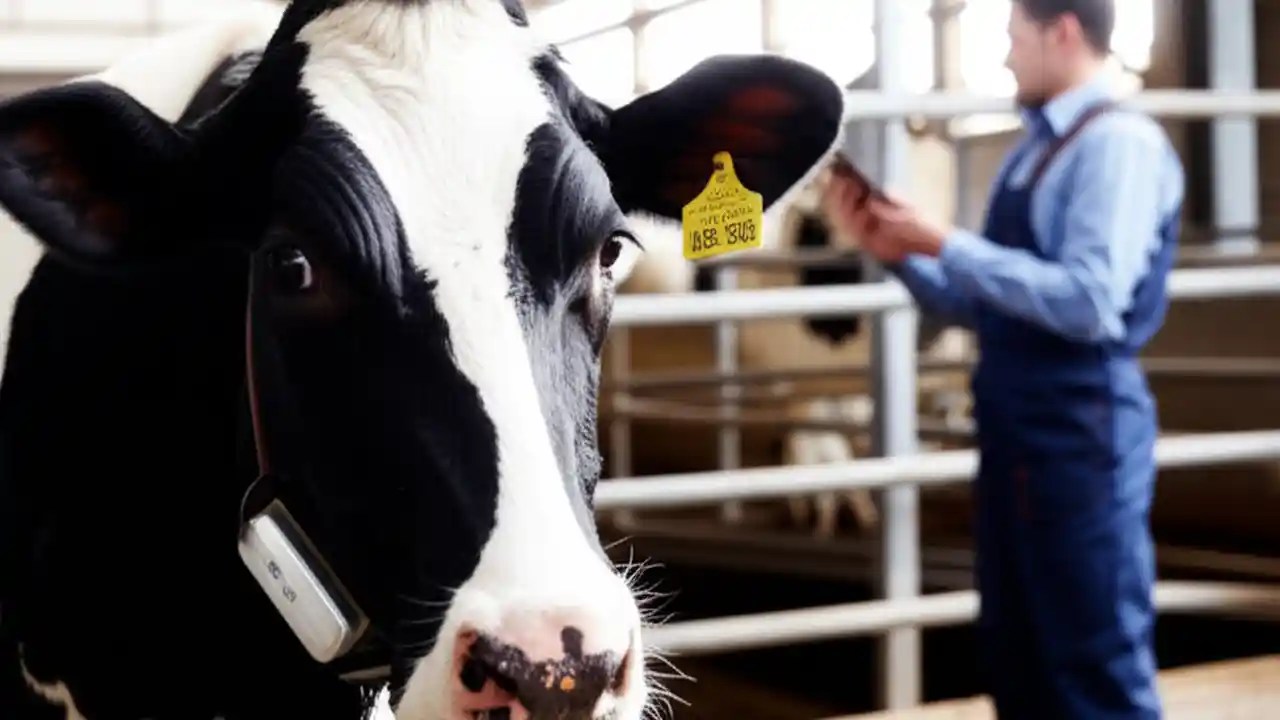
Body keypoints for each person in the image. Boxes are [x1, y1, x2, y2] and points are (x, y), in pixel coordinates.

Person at [823, 1, 1184, 718]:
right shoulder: (1035, 149)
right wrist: (898, 253)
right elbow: (985, 306)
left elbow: (1090, 300)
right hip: (1020, 435)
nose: (1007, 57)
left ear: (1065, 32)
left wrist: (946, 241)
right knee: (1020, 653)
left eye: (1015, 39)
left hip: (1083, 433)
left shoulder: (1117, 145)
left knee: (1093, 654)